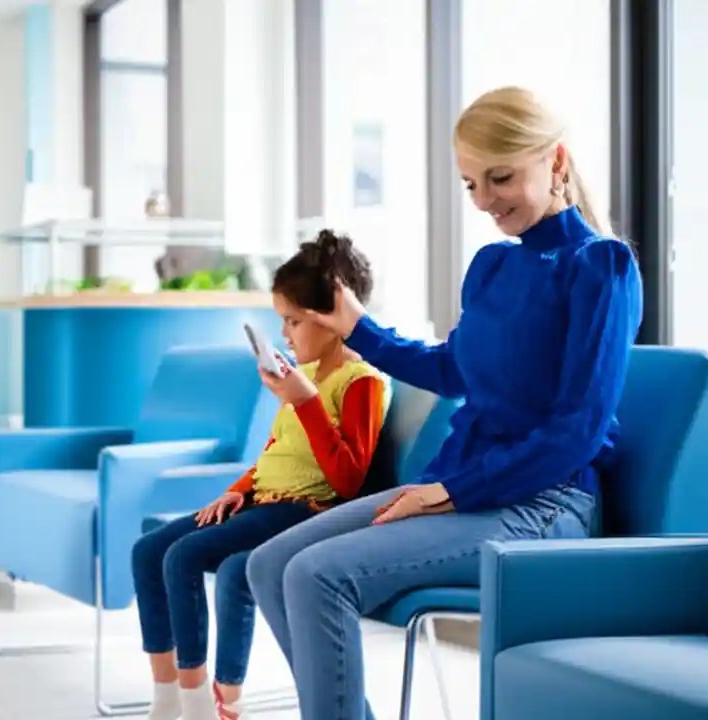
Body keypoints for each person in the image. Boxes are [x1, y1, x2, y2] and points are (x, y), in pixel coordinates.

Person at [244, 85, 643, 720]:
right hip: (465, 489)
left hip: (544, 502)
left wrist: (448, 494)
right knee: (269, 565)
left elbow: (577, 432)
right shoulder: (492, 266)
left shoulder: (602, 267)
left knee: (316, 575)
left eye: (500, 178)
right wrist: (357, 327)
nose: (483, 200)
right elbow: (452, 370)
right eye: (471, 184)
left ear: (556, 162)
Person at [131, 230, 391, 720]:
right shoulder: (304, 376)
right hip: (265, 499)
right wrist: (236, 491)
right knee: (148, 551)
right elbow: (279, 454)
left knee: (184, 557)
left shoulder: (363, 382)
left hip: (306, 509)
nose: (285, 335)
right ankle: (167, 700)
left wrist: (307, 403)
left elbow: (348, 480)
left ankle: (198, 706)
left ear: (333, 318)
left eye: (293, 321)